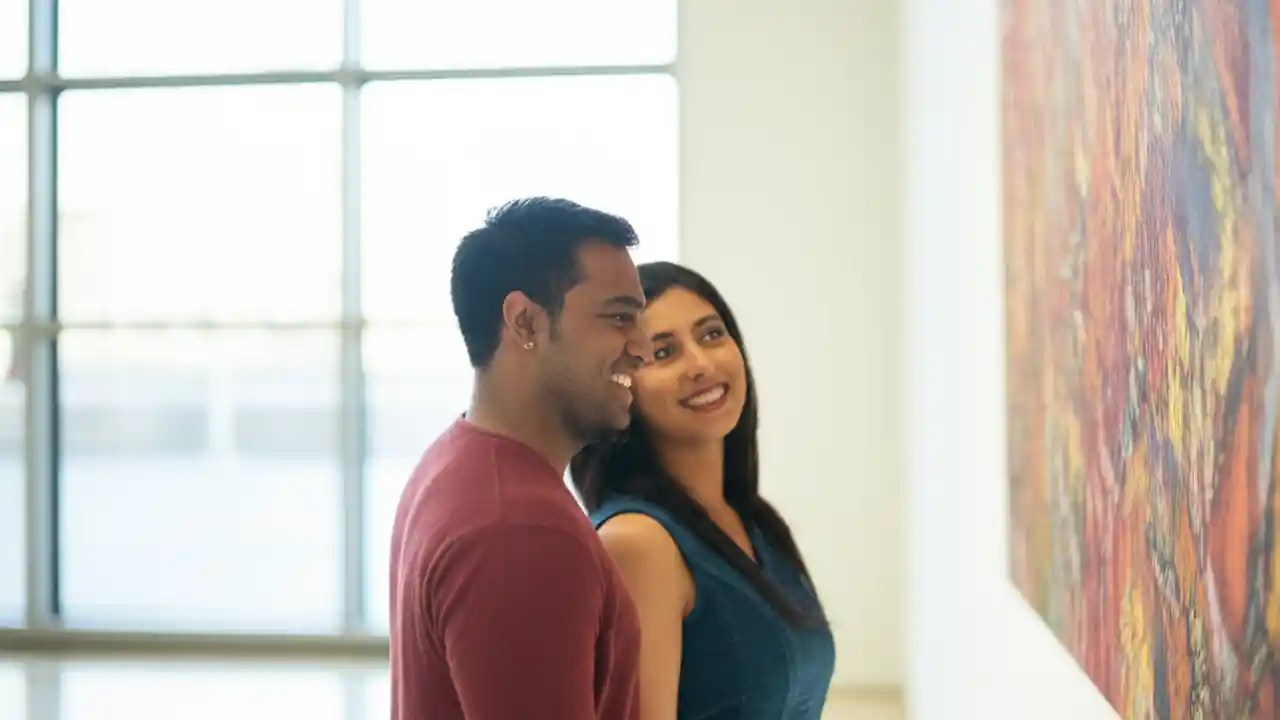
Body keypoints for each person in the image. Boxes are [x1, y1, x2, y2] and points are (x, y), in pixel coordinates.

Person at [389, 197, 653, 720]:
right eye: (619, 317)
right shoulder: (522, 531)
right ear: (526, 322)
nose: (643, 346)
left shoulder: (455, 460)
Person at [571, 261, 836, 719]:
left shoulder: (753, 519)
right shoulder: (638, 544)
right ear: (620, 387)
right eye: (662, 353)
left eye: (711, 334)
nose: (700, 364)